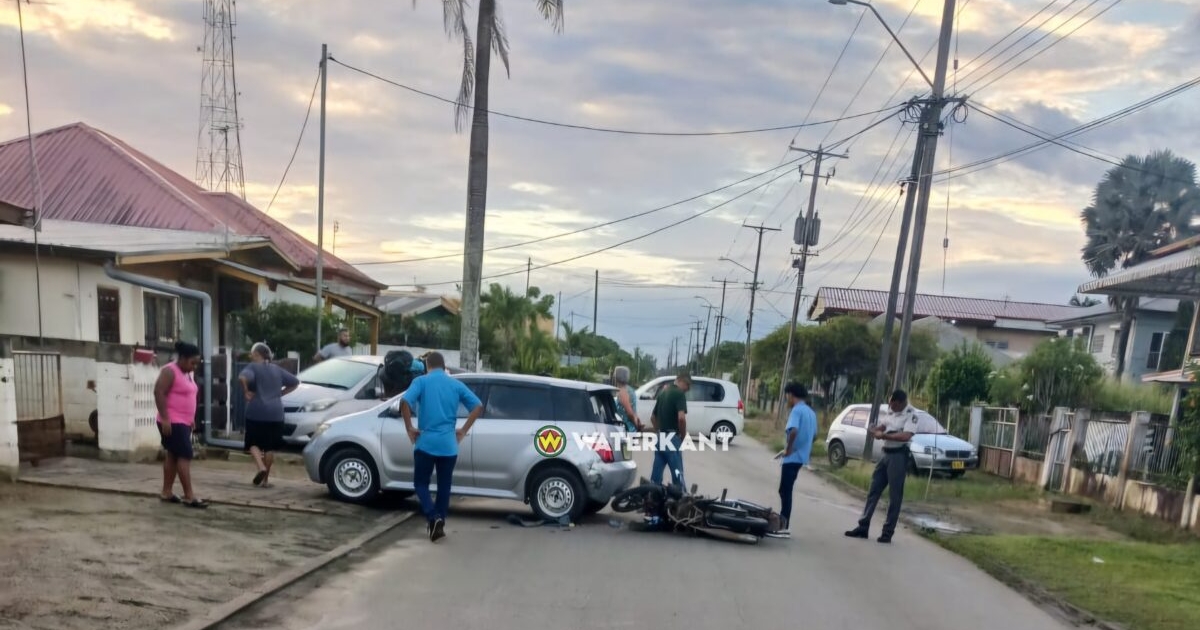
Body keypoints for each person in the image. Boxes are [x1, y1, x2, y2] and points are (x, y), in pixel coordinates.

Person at [399, 352, 484, 543]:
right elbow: (477, 406)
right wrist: (463, 430)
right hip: (449, 446)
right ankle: (439, 523)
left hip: (426, 443)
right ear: (443, 365)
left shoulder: (421, 382)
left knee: (421, 484)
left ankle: (433, 516)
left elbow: (404, 402)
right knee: (444, 486)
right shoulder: (455, 384)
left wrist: (409, 428)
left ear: (427, 365)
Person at [845, 389, 921, 544]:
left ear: (900, 403)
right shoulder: (891, 411)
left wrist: (884, 435)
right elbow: (884, 425)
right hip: (885, 454)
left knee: (894, 496)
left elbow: (906, 435)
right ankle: (863, 526)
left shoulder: (911, 414)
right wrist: (876, 430)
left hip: (899, 456)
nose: (890, 407)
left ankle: (887, 533)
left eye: (893, 405)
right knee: (873, 490)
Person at [240, 342, 300, 488]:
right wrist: (280, 393)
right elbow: (295, 382)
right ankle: (265, 481)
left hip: (256, 412)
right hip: (276, 413)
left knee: (253, 443)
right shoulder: (277, 369)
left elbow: (242, 377)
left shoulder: (253, 367)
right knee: (269, 447)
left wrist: (246, 391)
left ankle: (260, 466)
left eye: (252, 354)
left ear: (257, 355)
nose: (251, 356)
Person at [155, 341, 207, 508]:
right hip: (172, 421)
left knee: (173, 455)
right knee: (185, 455)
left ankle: (166, 491)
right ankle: (189, 495)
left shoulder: (187, 373)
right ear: (183, 358)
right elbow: (159, 392)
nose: (194, 367)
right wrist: (165, 418)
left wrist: (191, 418)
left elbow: (188, 396)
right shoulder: (170, 371)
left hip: (183, 421)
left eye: (196, 364)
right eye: (192, 362)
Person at [768, 382, 817, 539]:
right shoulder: (810, 412)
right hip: (802, 456)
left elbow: (793, 430)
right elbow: (814, 435)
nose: (786, 399)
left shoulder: (796, 411)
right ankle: (783, 523)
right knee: (785, 490)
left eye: (787, 396)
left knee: (785, 490)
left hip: (792, 457)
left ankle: (783, 524)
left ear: (791, 395)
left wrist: (789, 449)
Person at [650, 372, 691, 488]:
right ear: (682, 382)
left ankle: (652, 497)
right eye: (687, 388)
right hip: (672, 438)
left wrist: (659, 430)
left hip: (661, 437)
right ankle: (682, 501)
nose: (687, 391)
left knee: (656, 475)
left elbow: (653, 418)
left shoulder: (663, 393)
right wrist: (682, 436)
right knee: (678, 474)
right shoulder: (679, 394)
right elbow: (681, 418)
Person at [611, 366, 643, 433]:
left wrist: (636, 425)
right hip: (630, 428)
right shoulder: (629, 389)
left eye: (614, 374)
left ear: (617, 377)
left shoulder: (622, 391)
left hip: (627, 429)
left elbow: (629, 412)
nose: (613, 376)